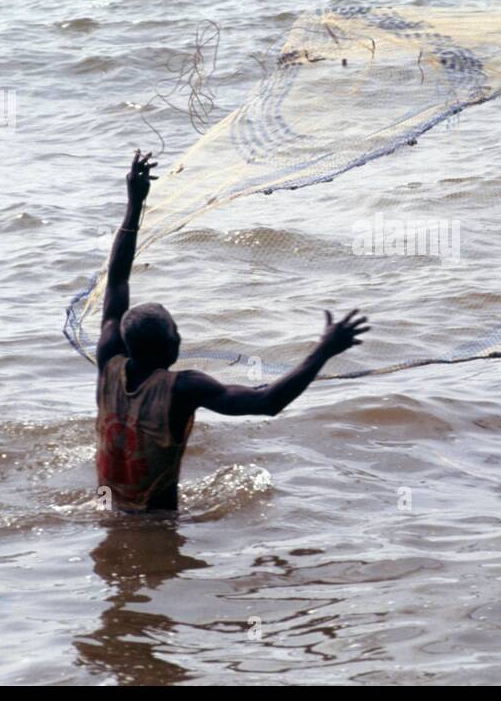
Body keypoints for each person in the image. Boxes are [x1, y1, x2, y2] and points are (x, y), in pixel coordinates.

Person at [93, 150, 369, 512]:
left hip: (105, 507)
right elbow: (267, 403)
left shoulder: (109, 357)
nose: (179, 334)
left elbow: (117, 280)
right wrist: (324, 350)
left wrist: (134, 204)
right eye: (176, 330)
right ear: (171, 348)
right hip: (156, 523)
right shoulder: (184, 387)